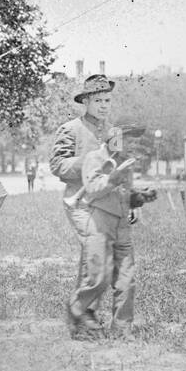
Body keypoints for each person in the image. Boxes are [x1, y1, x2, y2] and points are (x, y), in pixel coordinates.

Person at [71, 126, 158, 337]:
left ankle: (121, 330)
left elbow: (124, 195)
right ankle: (79, 318)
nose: (132, 146)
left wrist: (139, 198)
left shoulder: (125, 163)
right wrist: (113, 178)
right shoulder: (95, 158)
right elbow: (93, 189)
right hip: (100, 222)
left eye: (134, 142)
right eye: (127, 141)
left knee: (127, 279)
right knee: (97, 277)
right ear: (113, 140)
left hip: (122, 225)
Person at [50, 73, 117, 334]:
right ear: (86, 101)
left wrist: (130, 203)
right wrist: (89, 161)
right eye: (98, 100)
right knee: (97, 255)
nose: (103, 105)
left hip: (107, 204)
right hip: (80, 203)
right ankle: (81, 310)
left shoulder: (114, 132)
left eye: (107, 100)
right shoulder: (70, 129)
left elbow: (119, 170)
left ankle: (82, 317)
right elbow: (57, 165)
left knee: (96, 258)